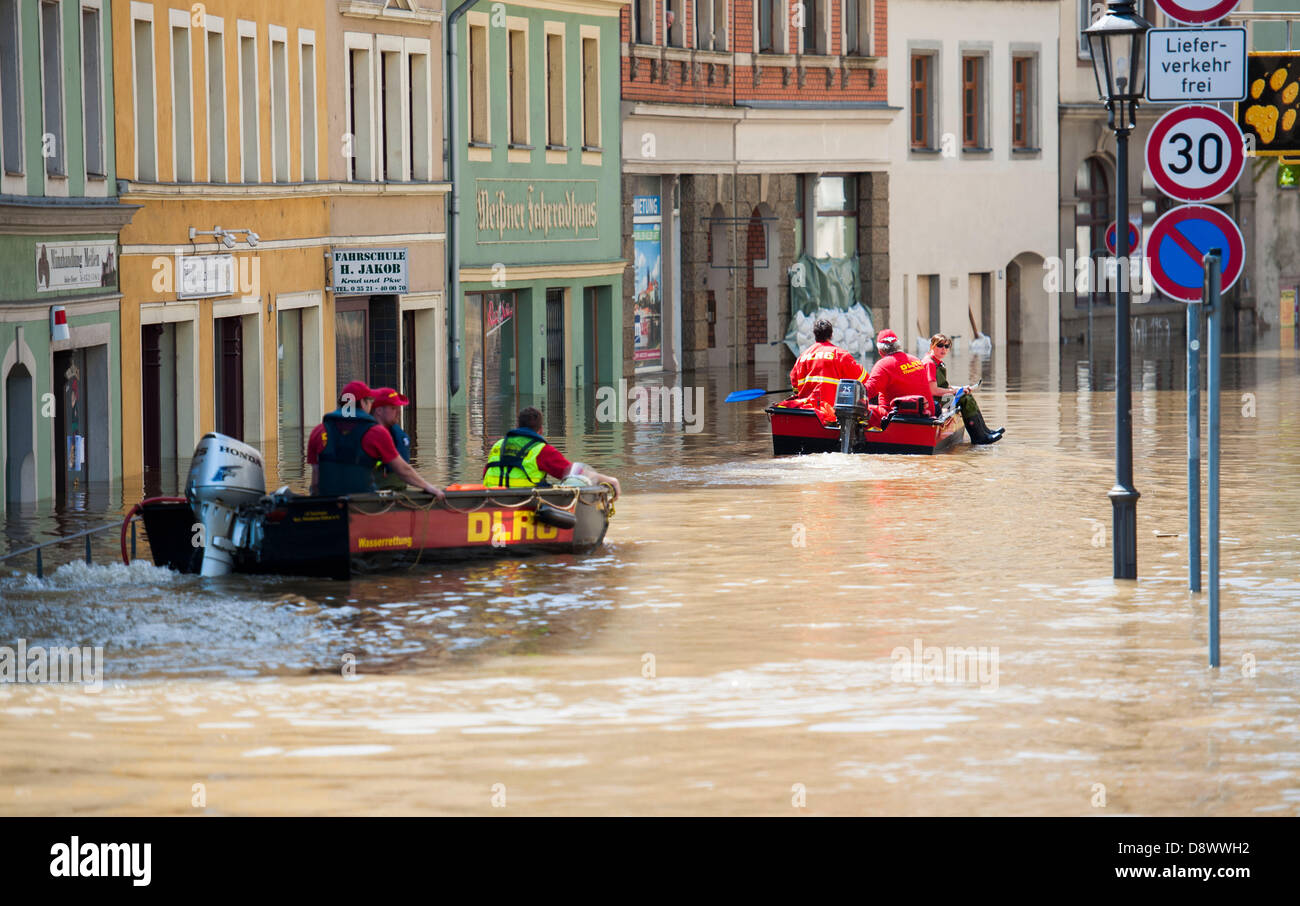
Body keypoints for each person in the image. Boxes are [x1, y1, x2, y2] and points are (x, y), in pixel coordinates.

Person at [306, 381, 445, 499]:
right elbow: (403, 470)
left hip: (329, 503)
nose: (371, 405)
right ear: (363, 403)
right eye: (370, 401)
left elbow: (316, 481)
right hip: (363, 504)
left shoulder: (318, 431)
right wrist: (429, 487)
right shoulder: (376, 432)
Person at [484, 407, 621, 498]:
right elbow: (572, 473)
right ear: (541, 430)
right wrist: (609, 480)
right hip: (523, 504)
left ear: (517, 426)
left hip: (491, 502)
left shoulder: (498, 445)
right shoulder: (542, 450)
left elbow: (486, 474)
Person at [923, 333, 1004, 444]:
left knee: (967, 394)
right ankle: (979, 438)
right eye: (940, 345)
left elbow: (944, 386)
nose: (944, 349)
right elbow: (933, 390)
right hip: (935, 401)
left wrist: (961, 388)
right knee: (964, 398)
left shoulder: (937, 362)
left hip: (941, 397)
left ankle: (984, 431)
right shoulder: (929, 363)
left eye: (947, 346)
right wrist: (956, 391)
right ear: (932, 346)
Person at [788, 318, 868, 422]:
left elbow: (795, 387)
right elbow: (864, 379)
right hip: (831, 413)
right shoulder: (840, 355)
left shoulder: (802, 357)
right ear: (831, 335)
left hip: (808, 412)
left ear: (815, 335)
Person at [862, 328, 933, 427]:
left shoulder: (883, 365)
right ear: (898, 345)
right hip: (925, 414)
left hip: (894, 418)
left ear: (880, 351)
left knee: (861, 409)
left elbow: (866, 392)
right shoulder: (916, 360)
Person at [368, 387, 414, 490]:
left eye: (398, 408)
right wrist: (429, 487)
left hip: (398, 490)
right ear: (379, 411)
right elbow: (404, 470)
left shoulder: (396, 434)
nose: (398, 412)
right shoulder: (367, 435)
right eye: (393, 408)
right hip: (375, 494)